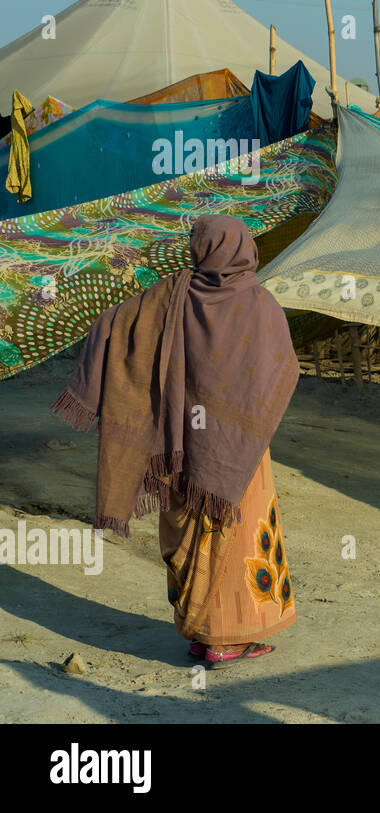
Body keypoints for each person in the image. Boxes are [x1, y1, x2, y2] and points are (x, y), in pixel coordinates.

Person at [52, 215, 300, 665]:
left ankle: (203, 632)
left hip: (178, 441)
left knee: (187, 524)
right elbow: (282, 370)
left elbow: (112, 325)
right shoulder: (259, 304)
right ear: (245, 248)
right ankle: (229, 638)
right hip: (236, 448)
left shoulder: (168, 296)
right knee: (238, 531)